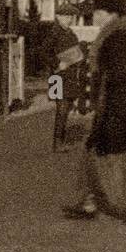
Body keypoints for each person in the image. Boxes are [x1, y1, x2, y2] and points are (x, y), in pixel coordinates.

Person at [64, 0, 126, 224]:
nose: (95, 16)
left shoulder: (115, 37)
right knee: (96, 151)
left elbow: (119, 73)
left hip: (121, 107)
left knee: (116, 156)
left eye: (99, 12)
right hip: (117, 105)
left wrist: (101, 94)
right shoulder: (111, 35)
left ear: (111, 14)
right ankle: (89, 201)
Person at [40, 9, 86, 153]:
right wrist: (56, 64)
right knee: (62, 108)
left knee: (65, 107)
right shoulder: (54, 33)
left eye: (71, 16)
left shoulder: (70, 33)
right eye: (66, 16)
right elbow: (43, 52)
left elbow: (75, 52)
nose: (69, 19)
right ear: (58, 17)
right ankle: (57, 143)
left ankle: (60, 141)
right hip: (57, 75)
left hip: (70, 75)